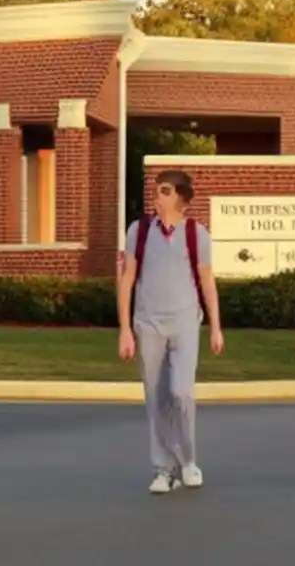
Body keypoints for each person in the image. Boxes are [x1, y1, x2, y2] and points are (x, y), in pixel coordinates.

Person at [117, 170, 224, 494]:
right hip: (148, 324)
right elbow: (127, 279)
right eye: (155, 190)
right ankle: (163, 469)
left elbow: (207, 281)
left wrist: (216, 328)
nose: (157, 195)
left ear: (181, 198)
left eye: (164, 190)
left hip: (185, 323)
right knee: (156, 399)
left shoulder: (197, 234)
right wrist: (124, 329)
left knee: (181, 392)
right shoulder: (140, 230)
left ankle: (188, 461)